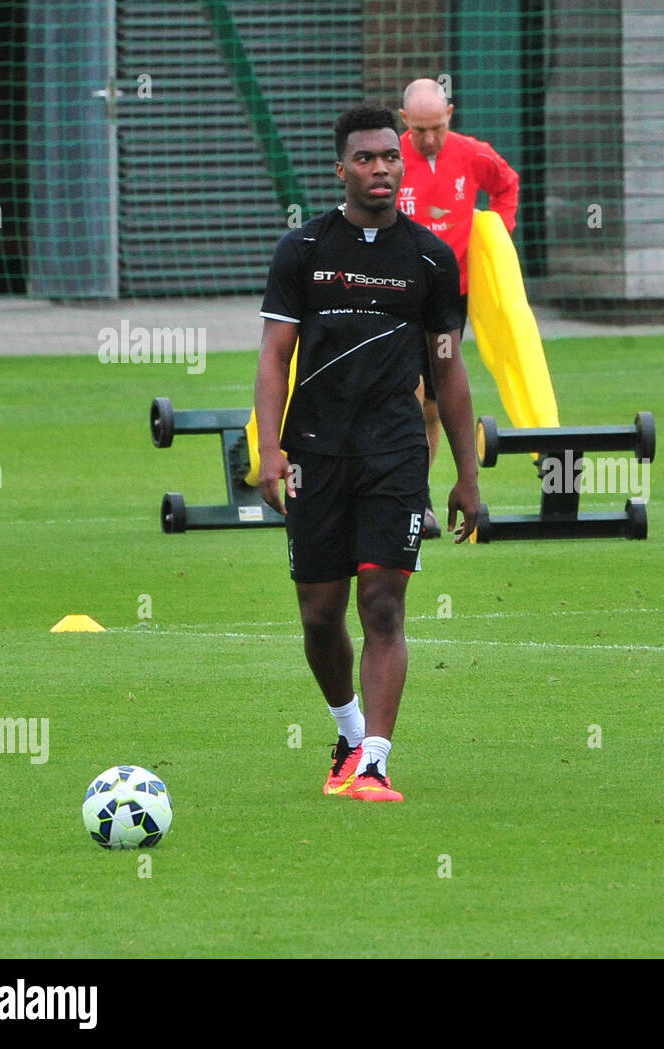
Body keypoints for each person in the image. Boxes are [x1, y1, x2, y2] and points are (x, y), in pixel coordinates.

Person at [254, 103, 480, 803]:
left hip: (395, 452)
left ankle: (376, 762)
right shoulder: (305, 250)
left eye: (390, 157)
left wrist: (468, 474)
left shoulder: (430, 259)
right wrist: (268, 451)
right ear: (341, 169)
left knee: (382, 605)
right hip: (316, 453)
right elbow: (274, 355)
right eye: (366, 158)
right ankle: (349, 733)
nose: (380, 169)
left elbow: (448, 369)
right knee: (320, 614)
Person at [399, 77, 520, 538]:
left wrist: (496, 238)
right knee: (406, 394)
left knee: (432, 405)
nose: (429, 139)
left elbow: (507, 185)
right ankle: (414, 499)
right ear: (404, 119)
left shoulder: (472, 153)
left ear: (450, 113)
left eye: (437, 127)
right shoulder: (391, 160)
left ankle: (420, 498)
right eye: (420, 130)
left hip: (452, 298)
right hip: (400, 295)